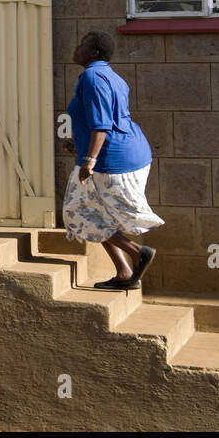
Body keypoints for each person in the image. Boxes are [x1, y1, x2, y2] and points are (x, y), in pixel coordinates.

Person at [60, 31, 163, 290]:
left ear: (94, 52)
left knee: (77, 211)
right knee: (94, 213)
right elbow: (110, 120)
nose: (77, 47)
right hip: (128, 152)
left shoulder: (93, 77)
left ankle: (137, 252)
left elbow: (103, 125)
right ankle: (124, 273)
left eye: (82, 44)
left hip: (111, 158)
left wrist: (90, 159)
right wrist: (80, 145)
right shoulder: (112, 76)